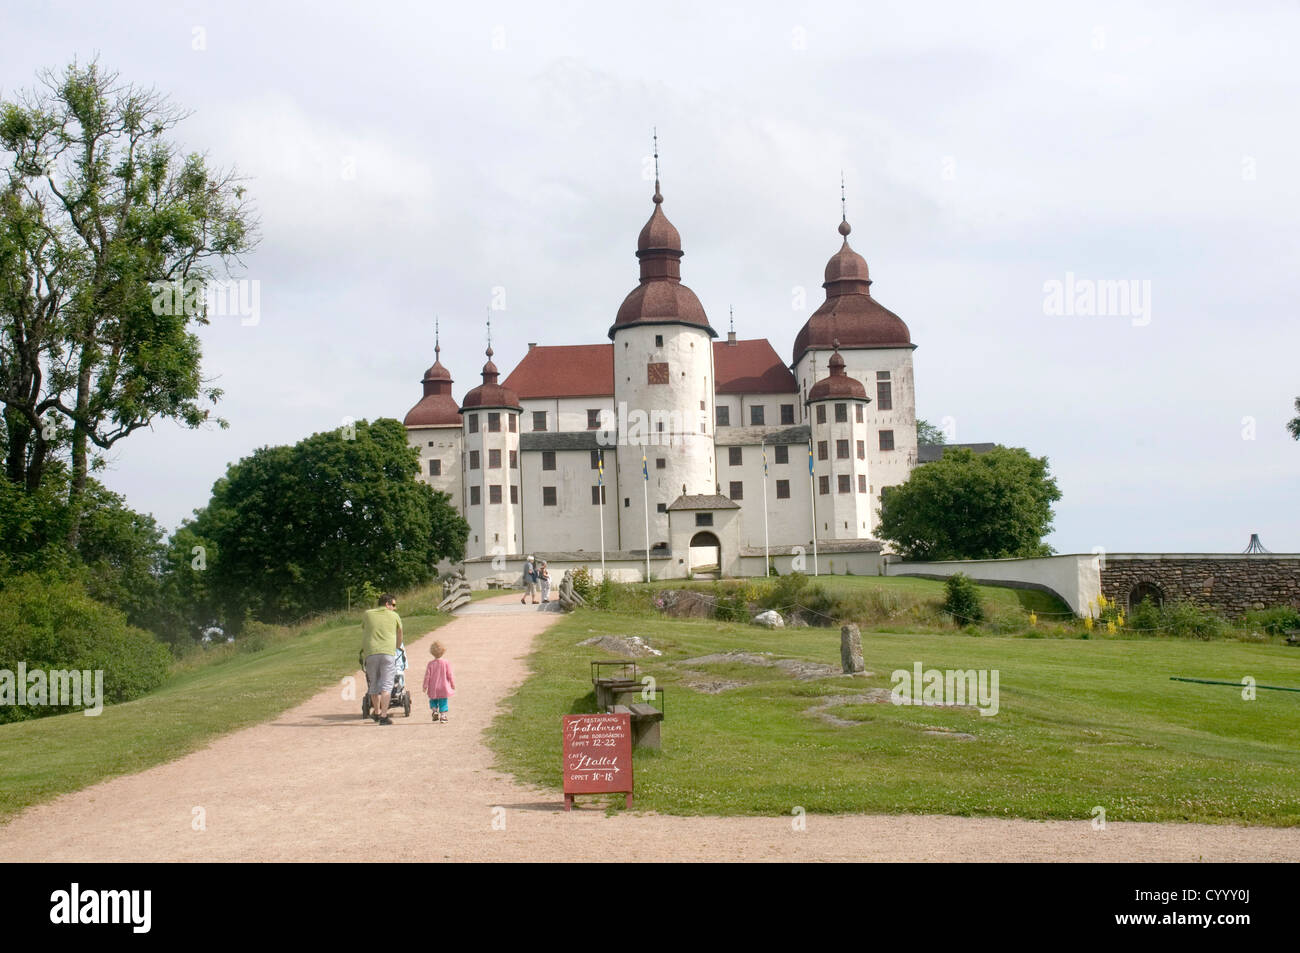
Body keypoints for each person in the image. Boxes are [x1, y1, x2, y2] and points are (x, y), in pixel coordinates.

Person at [360, 593, 403, 725]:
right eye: (393, 605)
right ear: (387, 604)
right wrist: (396, 647)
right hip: (387, 652)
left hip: (370, 653)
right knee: (387, 684)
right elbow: (400, 634)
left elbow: (364, 628)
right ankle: (384, 716)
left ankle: (377, 712)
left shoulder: (367, 614)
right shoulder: (394, 616)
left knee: (373, 683)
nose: (395, 608)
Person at [422, 641, 456, 724]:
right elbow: (449, 674)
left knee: (433, 699)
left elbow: (427, 676)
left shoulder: (430, 664)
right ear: (443, 651)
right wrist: (452, 683)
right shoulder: (446, 663)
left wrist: (425, 686)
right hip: (443, 686)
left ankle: (434, 710)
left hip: (433, 687)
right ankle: (443, 716)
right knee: (443, 700)